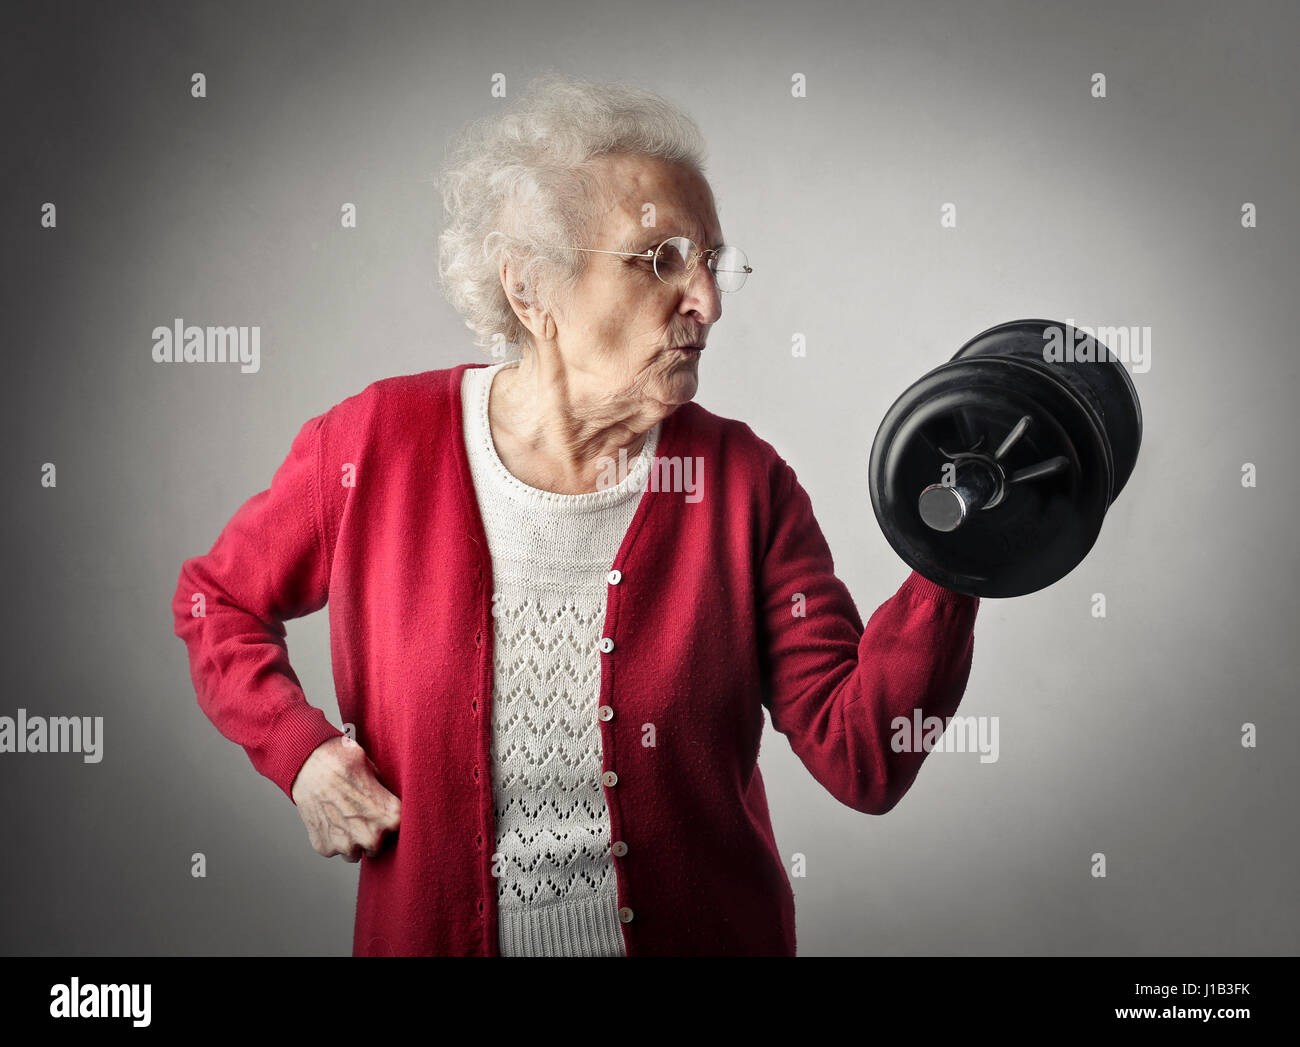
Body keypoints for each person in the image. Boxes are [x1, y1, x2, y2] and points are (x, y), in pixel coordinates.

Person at [172, 72, 979, 957]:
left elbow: (861, 753)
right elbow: (217, 601)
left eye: (713, 262)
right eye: (664, 259)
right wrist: (301, 753)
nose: (706, 300)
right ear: (531, 288)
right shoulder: (374, 446)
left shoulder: (745, 485)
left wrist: (961, 557)